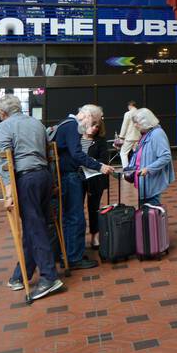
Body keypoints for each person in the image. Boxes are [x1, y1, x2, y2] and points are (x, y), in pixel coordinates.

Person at [0, 95, 63, 300]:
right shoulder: (37, 123)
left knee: (34, 227)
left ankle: (49, 277)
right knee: (35, 225)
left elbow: (4, 161)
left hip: (26, 179)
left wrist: (7, 192)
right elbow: (49, 151)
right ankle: (20, 274)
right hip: (44, 176)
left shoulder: (3, 127)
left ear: (2, 113)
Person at [51, 105, 113, 271]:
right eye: (93, 121)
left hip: (64, 176)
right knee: (75, 219)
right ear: (87, 115)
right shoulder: (72, 126)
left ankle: (68, 253)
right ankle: (74, 258)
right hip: (70, 177)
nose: (91, 126)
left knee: (69, 217)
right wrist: (99, 166)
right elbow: (77, 154)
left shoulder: (64, 123)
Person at [126, 108, 173, 211]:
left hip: (151, 182)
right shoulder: (146, 134)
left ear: (145, 122)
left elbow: (165, 156)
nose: (135, 125)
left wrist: (148, 169)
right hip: (143, 181)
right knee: (145, 213)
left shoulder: (157, 134)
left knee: (151, 213)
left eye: (136, 123)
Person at [81, 115, 112, 250]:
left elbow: (104, 159)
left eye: (97, 126)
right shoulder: (76, 139)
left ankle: (95, 236)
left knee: (93, 208)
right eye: (92, 125)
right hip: (77, 178)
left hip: (95, 178)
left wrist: (90, 164)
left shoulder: (100, 141)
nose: (94, 128)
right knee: (76, 209)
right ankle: (78, 238)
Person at [116, 100, 141, 169]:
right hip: (138, 137)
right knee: (137, 153)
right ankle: (138, 168)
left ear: (130, 106)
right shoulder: (140, 113)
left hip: (129, 137)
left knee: (123, 153)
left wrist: (121, 136)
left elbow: (124, 126)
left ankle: (126, 171)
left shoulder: (128, 113)